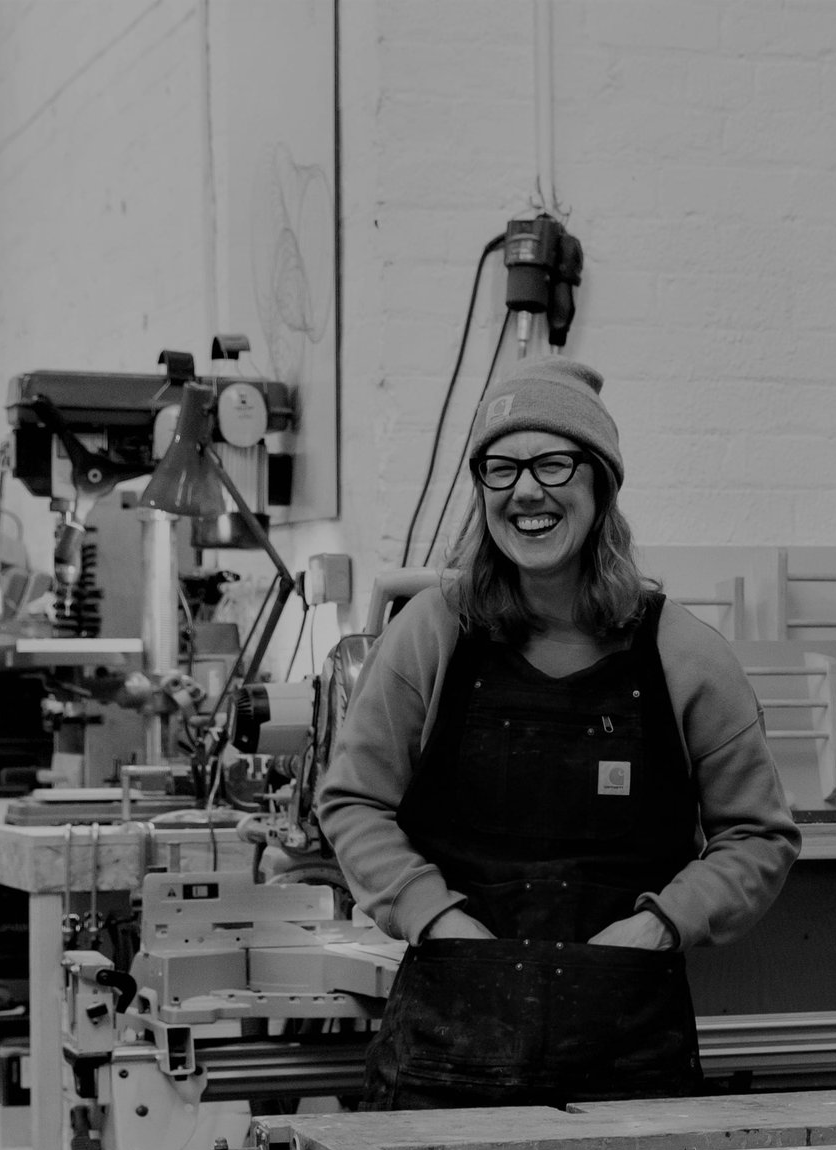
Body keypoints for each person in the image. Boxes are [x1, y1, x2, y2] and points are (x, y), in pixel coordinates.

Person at [320, 358, 798, 1109]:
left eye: (552, 463)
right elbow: (354, 801)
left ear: (601, 483)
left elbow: (759, 836)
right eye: (501, 468)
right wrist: (434, 917)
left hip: (627, 1045)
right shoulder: (431, 634)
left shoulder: (685, 653)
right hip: (448, 1045)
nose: (525, 490)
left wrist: (660, 926)